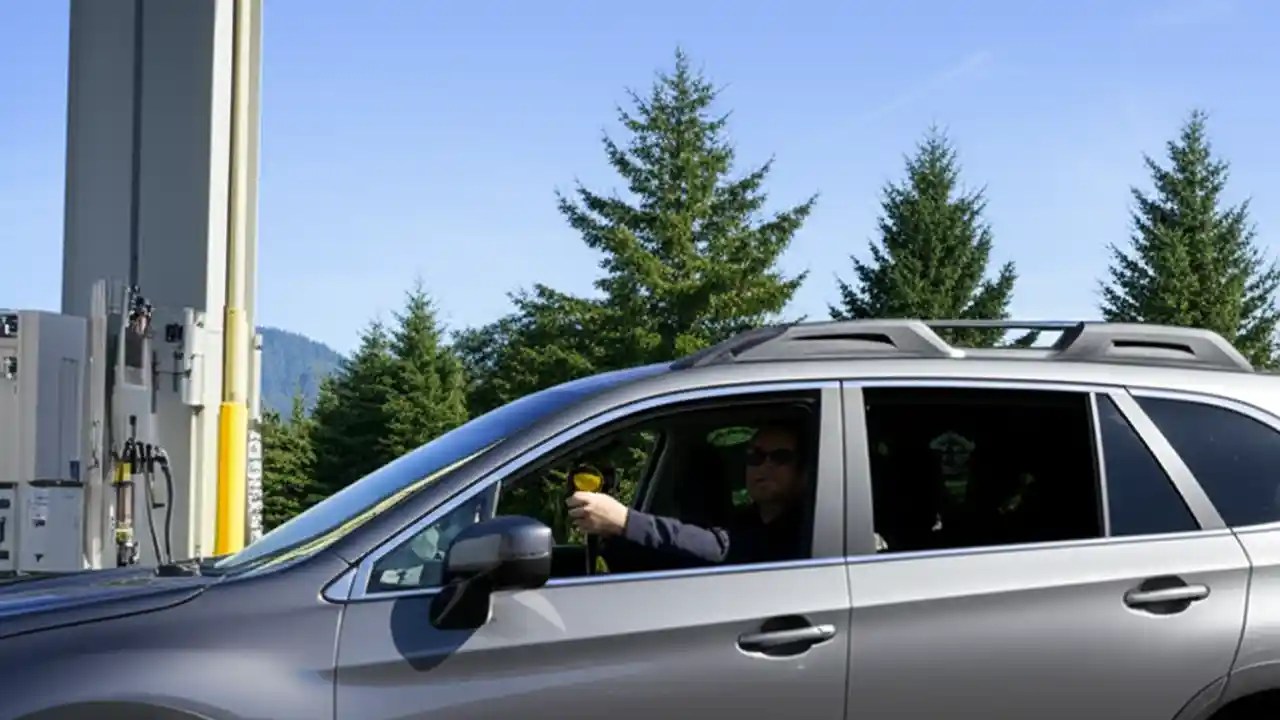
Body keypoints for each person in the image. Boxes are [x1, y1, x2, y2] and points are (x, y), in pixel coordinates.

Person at [565, 423, 809, 570]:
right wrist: (612, 533)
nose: (763, 467)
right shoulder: (745, 520)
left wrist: (625, 520)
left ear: (805, 471)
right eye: (754, 457)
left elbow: (721, 548)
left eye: (780, 457)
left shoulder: (809, 528)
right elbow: (680, 553)